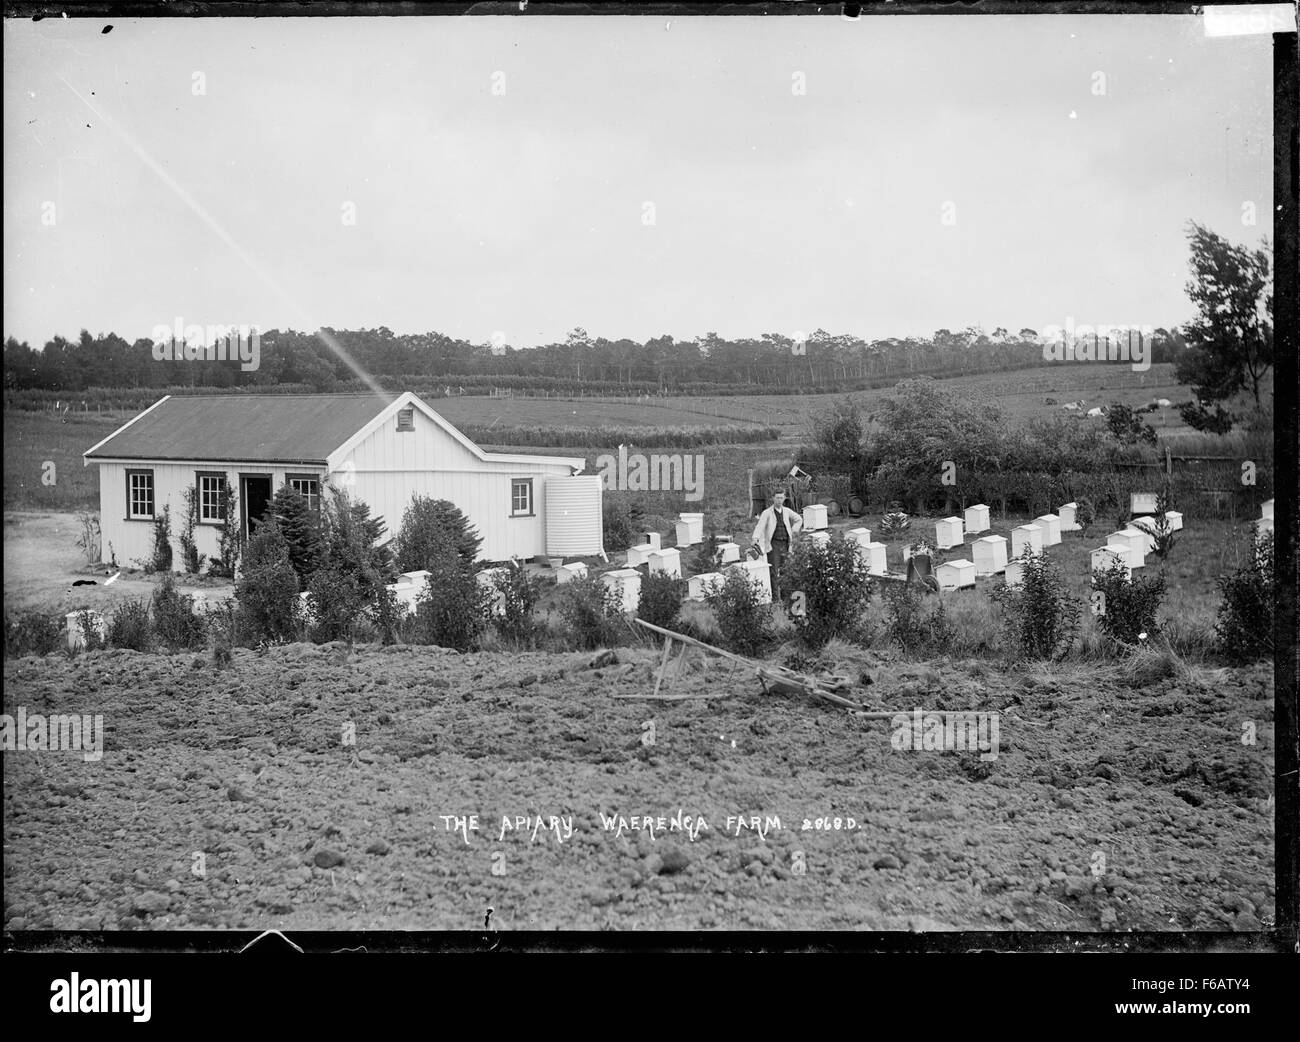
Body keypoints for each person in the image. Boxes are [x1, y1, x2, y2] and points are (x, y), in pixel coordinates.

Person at [751, 492, 803, 602]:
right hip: (773, 545)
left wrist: (794, 530)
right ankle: (775, 599)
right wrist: (755, 538)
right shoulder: (767, 513)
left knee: (786, 571)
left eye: (781, 498)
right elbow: (760, 526)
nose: (779, 500)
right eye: (777, 498)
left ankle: (785, 598)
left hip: (786, 544)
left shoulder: (787, 511)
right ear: (773, 499)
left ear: (784, 499)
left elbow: (799, 519)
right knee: (774, 572)